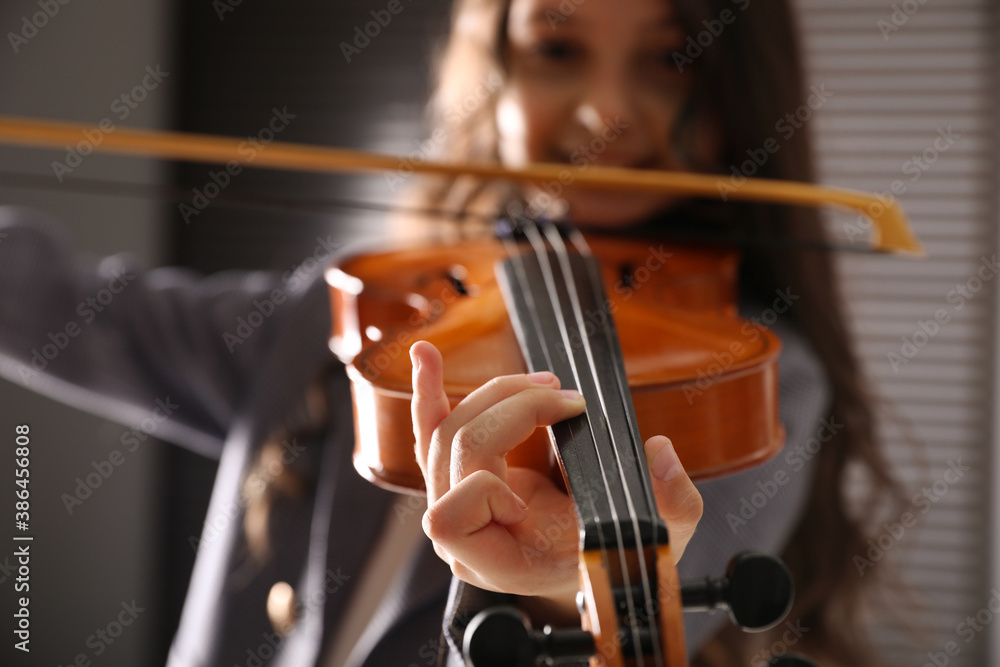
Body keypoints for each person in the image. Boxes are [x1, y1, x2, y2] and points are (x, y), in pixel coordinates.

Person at [0, 0, 899, 665]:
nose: (605, 113)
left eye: (671, 60)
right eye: (556, 47)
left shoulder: (750, 377)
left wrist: (551, 590)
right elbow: (54, 307)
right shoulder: (360, 308)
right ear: (494, 69)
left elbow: (627, 623)